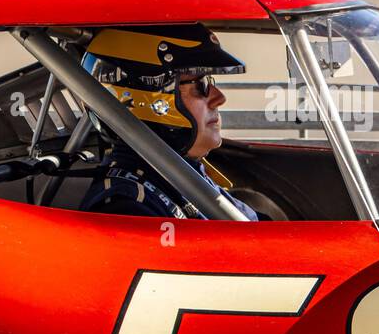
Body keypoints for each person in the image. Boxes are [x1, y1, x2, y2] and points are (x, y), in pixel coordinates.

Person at [78, 23, 259, 220]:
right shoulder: (128, 209)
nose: (219, 97)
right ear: (149, 97)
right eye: (200, 85)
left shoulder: (179, 174)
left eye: (209, 82)